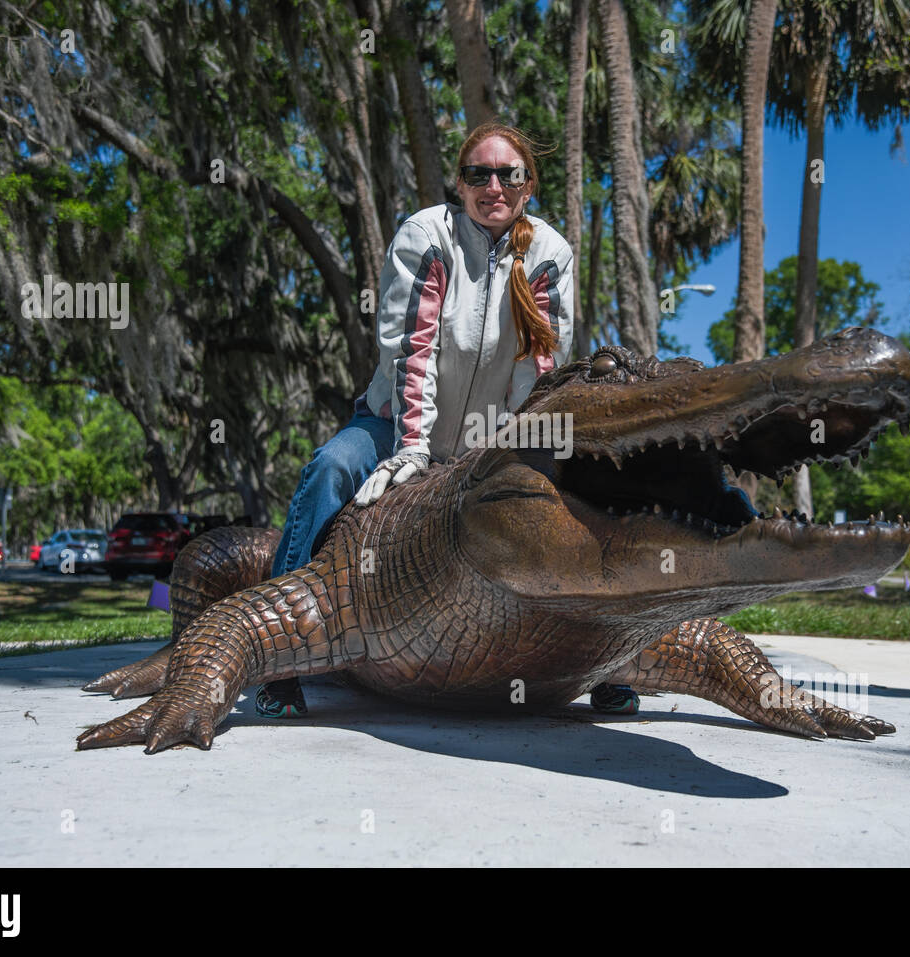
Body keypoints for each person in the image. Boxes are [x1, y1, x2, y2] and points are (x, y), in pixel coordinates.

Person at [257, 122, 640, 719]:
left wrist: (513, 455)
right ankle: (276, 656)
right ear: (459, 184)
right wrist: (412, 450)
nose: (493, 185)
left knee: (584, 496)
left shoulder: (550, 254)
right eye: (477, 174)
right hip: (396, 422)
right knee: (331, 468)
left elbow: (538, 373)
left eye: (507, 174)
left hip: (493, 429)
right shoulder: (426, 235)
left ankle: (606, 663)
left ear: (528, 185)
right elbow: (412, 351)